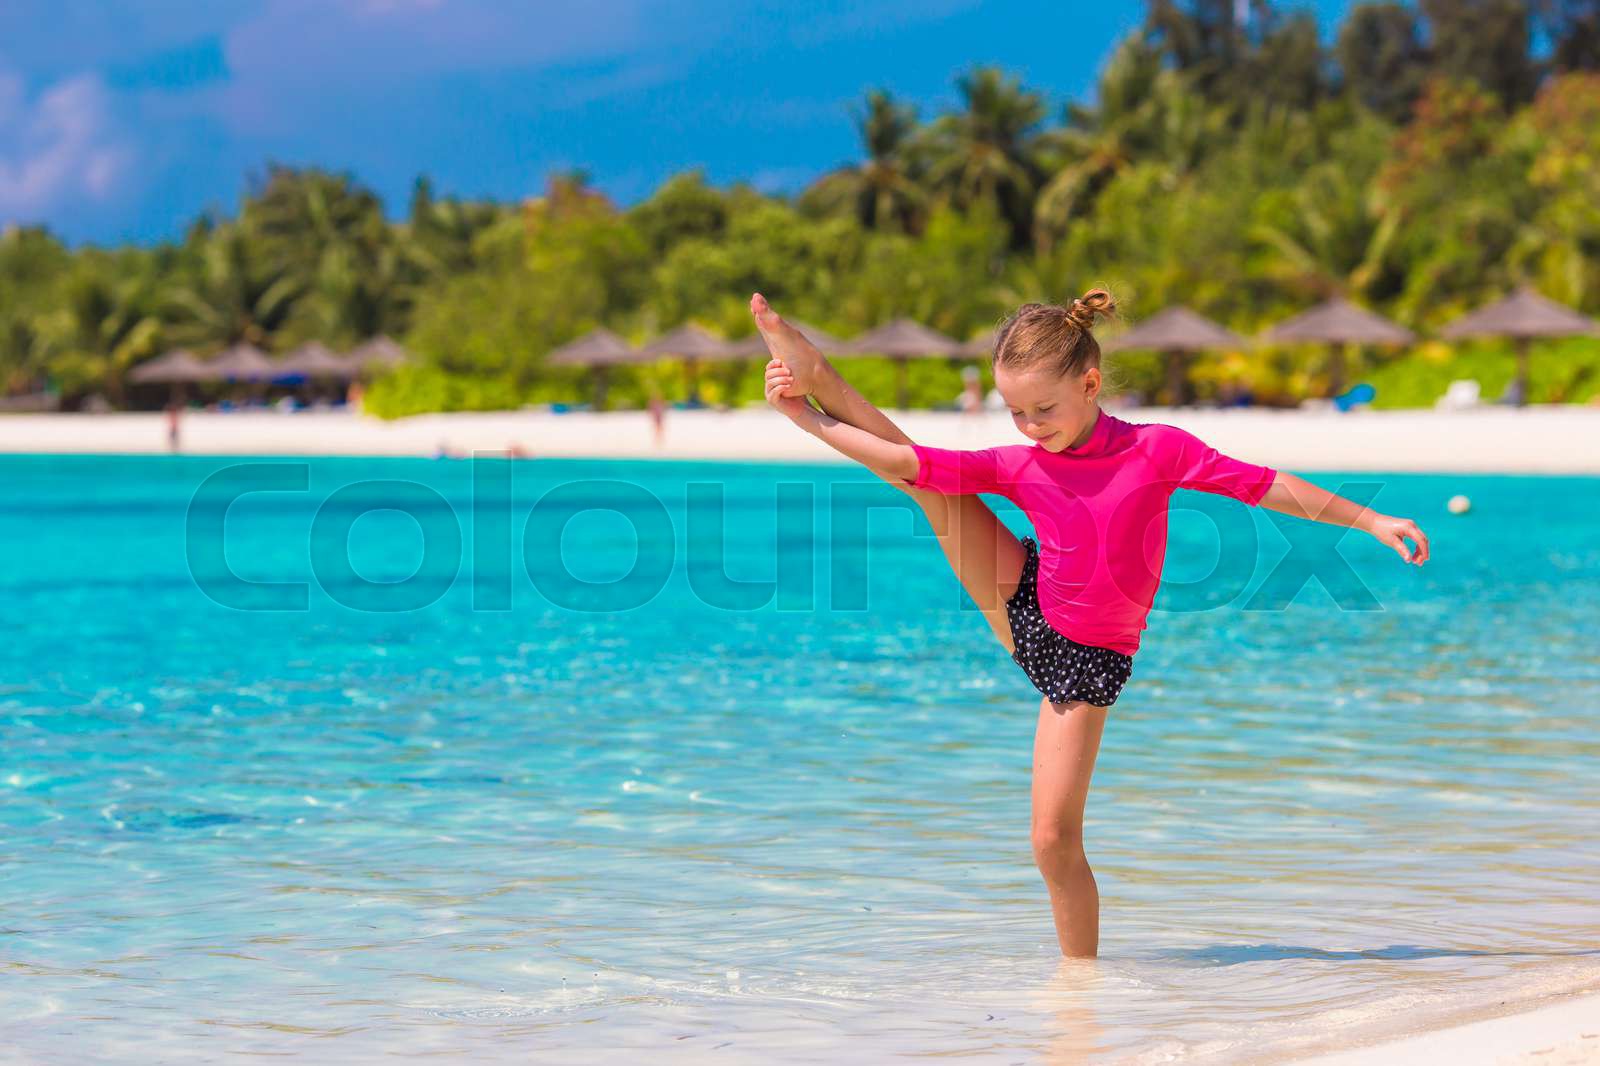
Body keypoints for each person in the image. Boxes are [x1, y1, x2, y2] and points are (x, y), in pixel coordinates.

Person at [749, 289, 1430, 959]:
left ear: (1092, 382)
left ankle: (1081, 986)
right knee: (922, 483)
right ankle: (820, 372)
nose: (1030, 425)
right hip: (1026, 602)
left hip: (1085, 661)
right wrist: (802, 415)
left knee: (1051, 839)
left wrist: (1371, 519)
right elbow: (906, 462)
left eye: (1043, 408)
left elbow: (1266, 485)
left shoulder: (1158, 450)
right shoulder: (1021, 464)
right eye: (1014, 411)